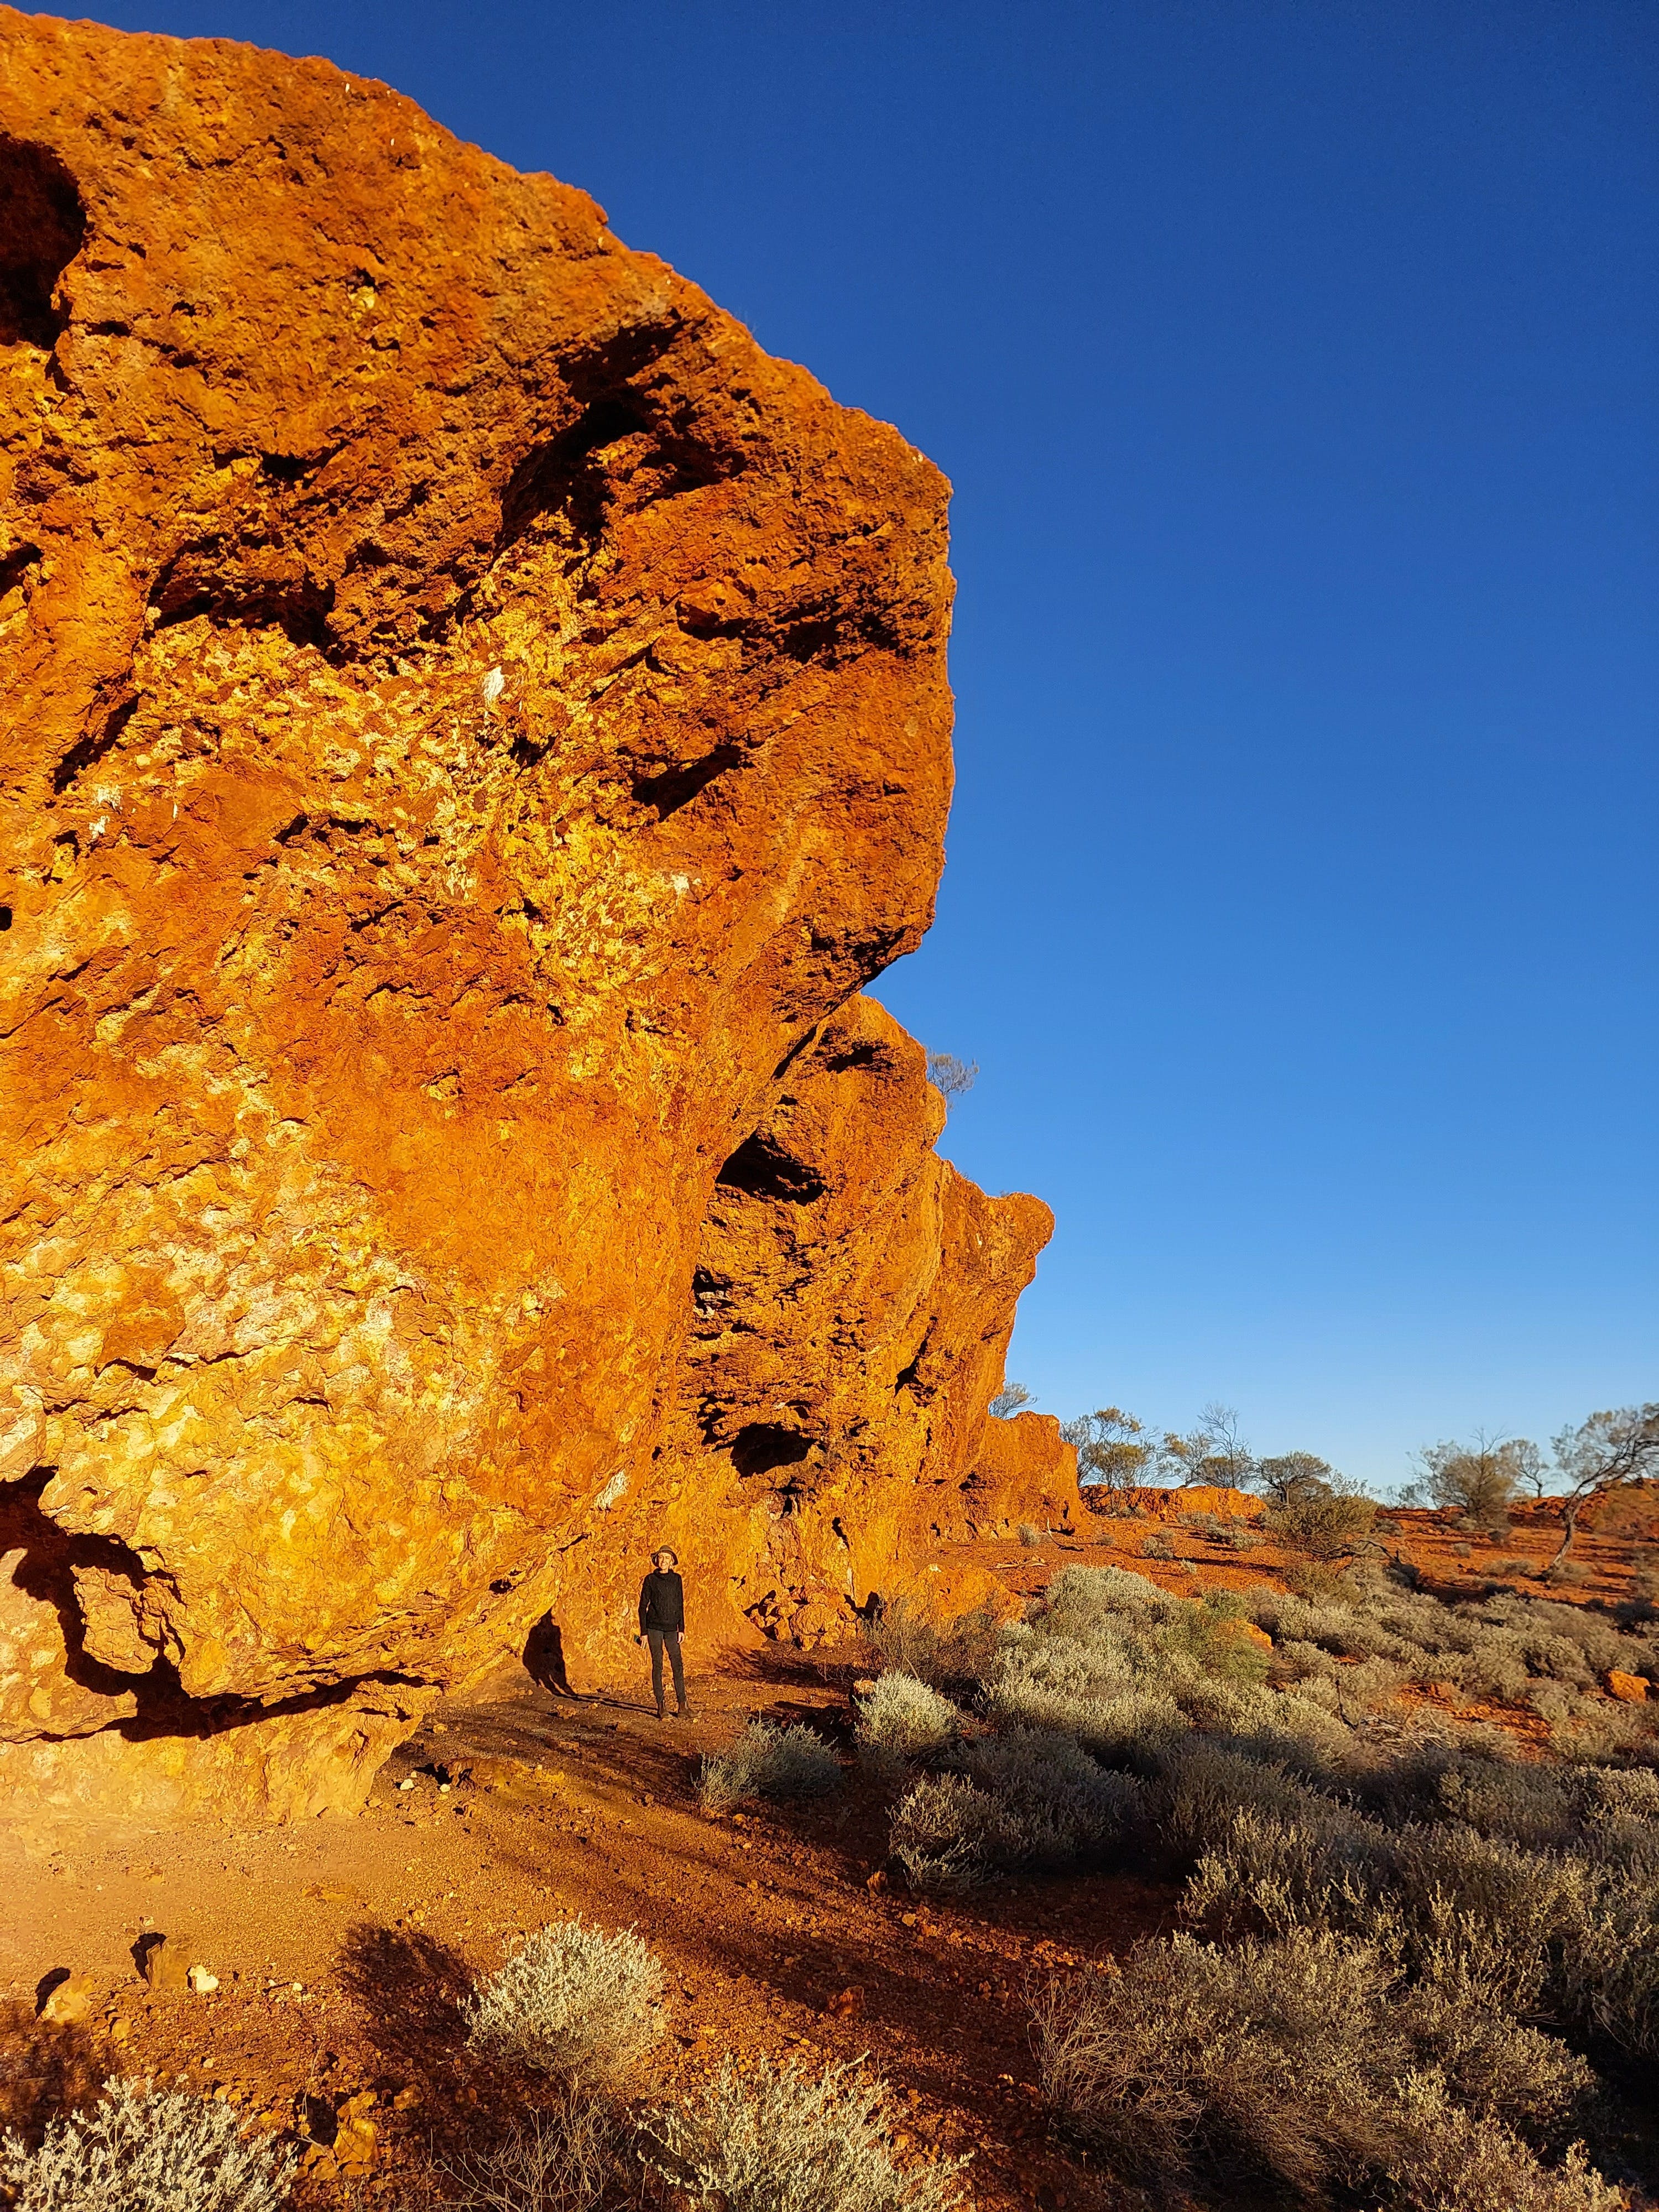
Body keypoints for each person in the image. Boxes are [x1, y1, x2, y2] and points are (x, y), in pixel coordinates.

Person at [636, 1547, 688, 1718]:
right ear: (657, 1561)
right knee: (657, 1665)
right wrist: (644, 1632)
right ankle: (661, 1707)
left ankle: (683, 1707)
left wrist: (682, 1628)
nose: (664, 1560)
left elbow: (680, 1604)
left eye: (667, 1558)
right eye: (661, 1557)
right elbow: (643, 1607)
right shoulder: (650, 1579)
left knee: (677, 1665)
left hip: (672, 1629)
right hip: (654, 1628)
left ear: (672, 1561)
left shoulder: (677, 1579)